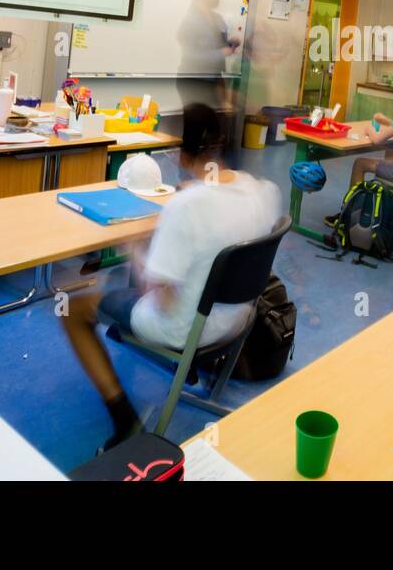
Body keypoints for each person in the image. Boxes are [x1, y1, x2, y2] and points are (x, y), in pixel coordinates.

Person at [61, 103, 280, 451]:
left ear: (180, 152)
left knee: (72, 309)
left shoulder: (188, 207)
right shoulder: (262, 190)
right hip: (238, 320)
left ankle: (125, 422)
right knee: (156, 274)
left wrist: (133, 247)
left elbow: (159, 294)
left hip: (184, 328)